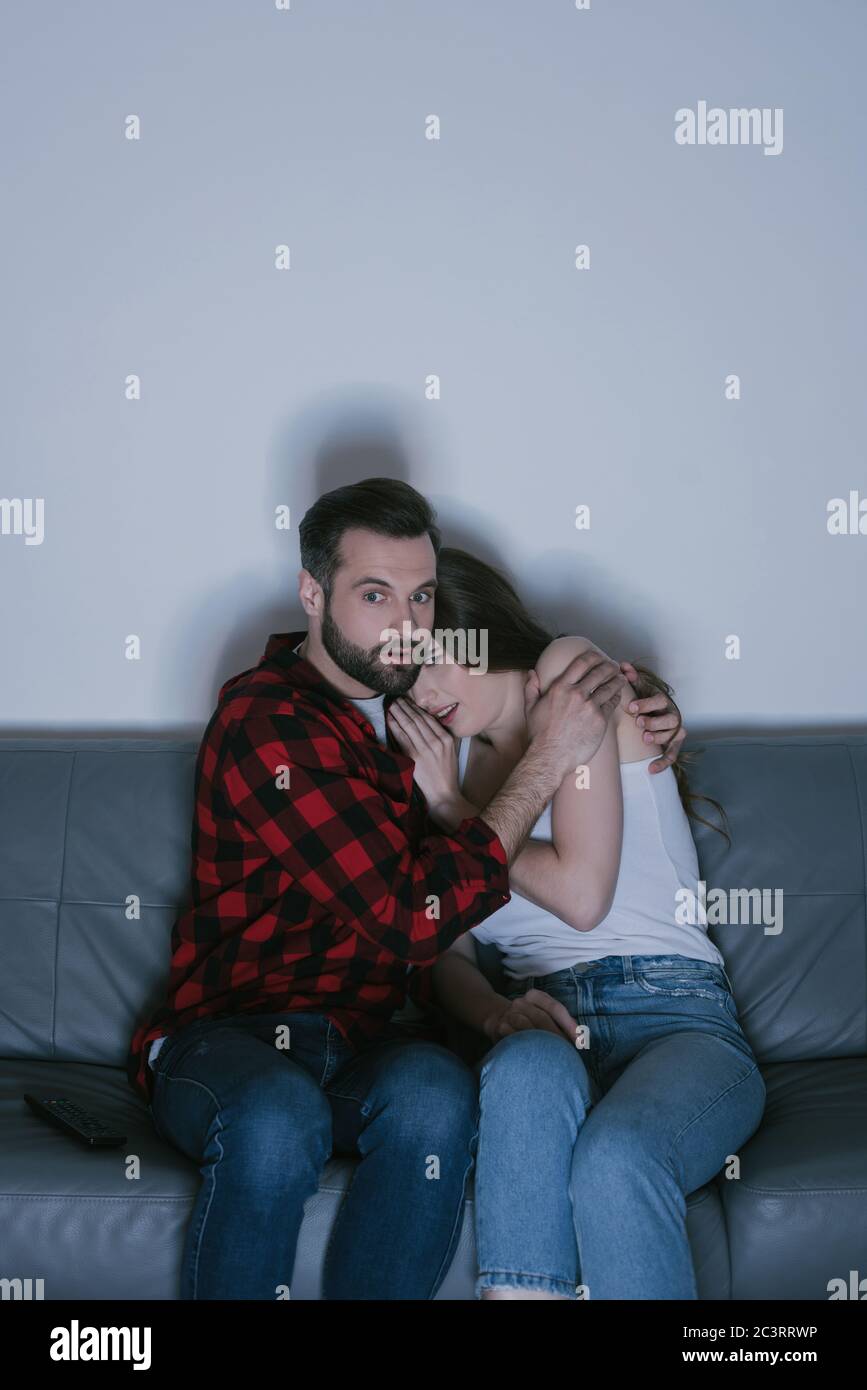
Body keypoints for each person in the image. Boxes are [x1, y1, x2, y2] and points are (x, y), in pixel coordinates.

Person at [125, 478, 683, 1300]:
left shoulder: (412, 724)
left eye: (419, 597)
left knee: (433, 1093)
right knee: (277, 1116)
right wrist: (547, 757)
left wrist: (647, 708)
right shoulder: (268, 720)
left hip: (354, 1047)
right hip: (227, 1039)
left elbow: (514, 695)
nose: (405, 624)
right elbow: (407, 918)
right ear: (313, 594)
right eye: (374, 594)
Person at [387, 546, 767, 1301]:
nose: (423, 692)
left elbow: (581, 896)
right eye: (403, 676)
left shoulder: (564, 671)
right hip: (542, 1018)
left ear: (475, 626)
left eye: (432, 659)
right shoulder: (441, 761)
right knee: (523, 1071)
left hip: (674, 1017)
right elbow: (445, 957)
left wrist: (456, 818)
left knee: (616, 1158)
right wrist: (495, 1014)